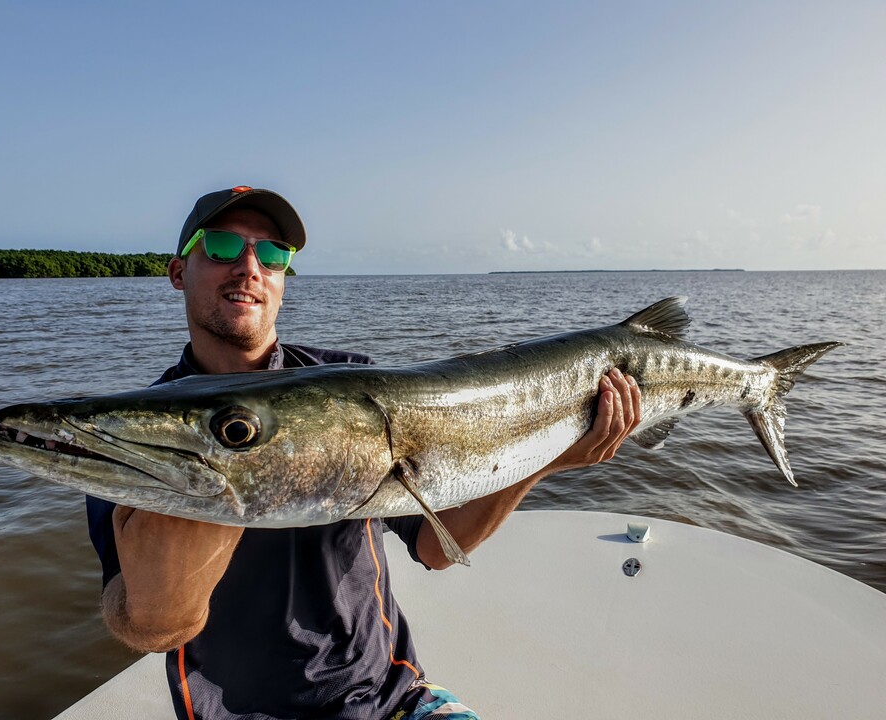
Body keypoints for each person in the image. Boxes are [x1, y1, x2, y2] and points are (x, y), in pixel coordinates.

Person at [86, 185, 642, 720]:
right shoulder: (135, 439)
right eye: (224, 246)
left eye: (274, 254)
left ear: (283, 278)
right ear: (179, 272)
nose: (249, 267)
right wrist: (158, 606)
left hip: (391, 697)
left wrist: (548, 455)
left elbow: (436, 546)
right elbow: (142, 624)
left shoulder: (356, 381)